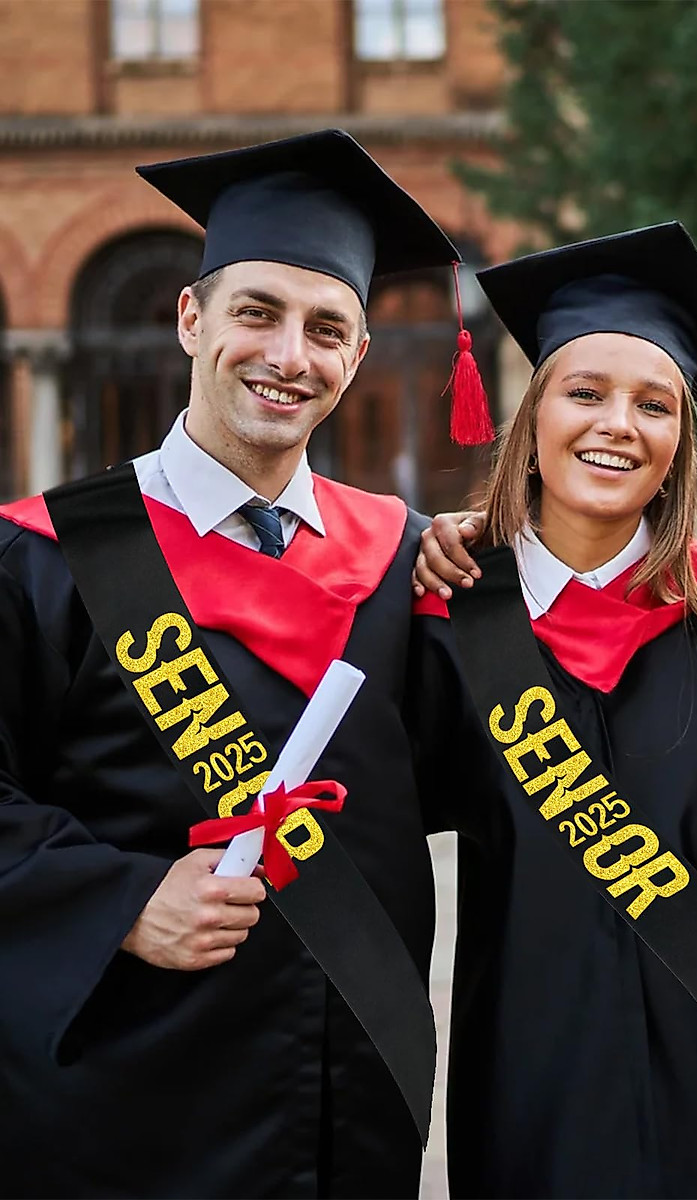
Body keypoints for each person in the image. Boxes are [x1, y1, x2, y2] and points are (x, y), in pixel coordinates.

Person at [0, 129, 465, 1197]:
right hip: (126, 1105)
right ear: (191, 318)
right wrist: (117, 900)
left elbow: (470, 777)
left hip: (350, 1097)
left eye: (328, 328)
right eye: (257, 312)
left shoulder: (399, 558)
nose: (289, 355)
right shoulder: (42, 559)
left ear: (355, 354)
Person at [407, 222, 697, 1199]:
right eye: (584, 394)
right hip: (531, 1088)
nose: (618, 423)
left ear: (679, 444)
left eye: (654, 405)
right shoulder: (445, 618)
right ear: (530, 419)